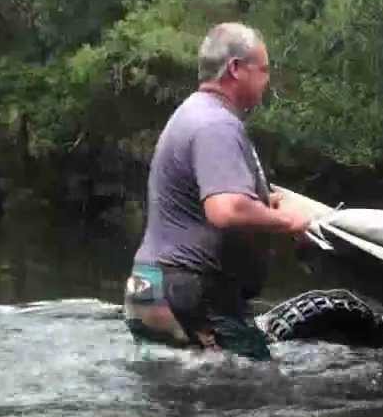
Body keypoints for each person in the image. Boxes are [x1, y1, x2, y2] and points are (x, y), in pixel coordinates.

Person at [123, 23, 310, 360]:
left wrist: (264, 202)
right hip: (189, 292)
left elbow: (220, 199)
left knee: (184, 405)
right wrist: (288, 222)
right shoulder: (217, 124)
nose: (267, 80)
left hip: (150, 286)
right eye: (264, 70)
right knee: (261, 395)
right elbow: (227, 209)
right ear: (236, 69)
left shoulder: (193, 113)